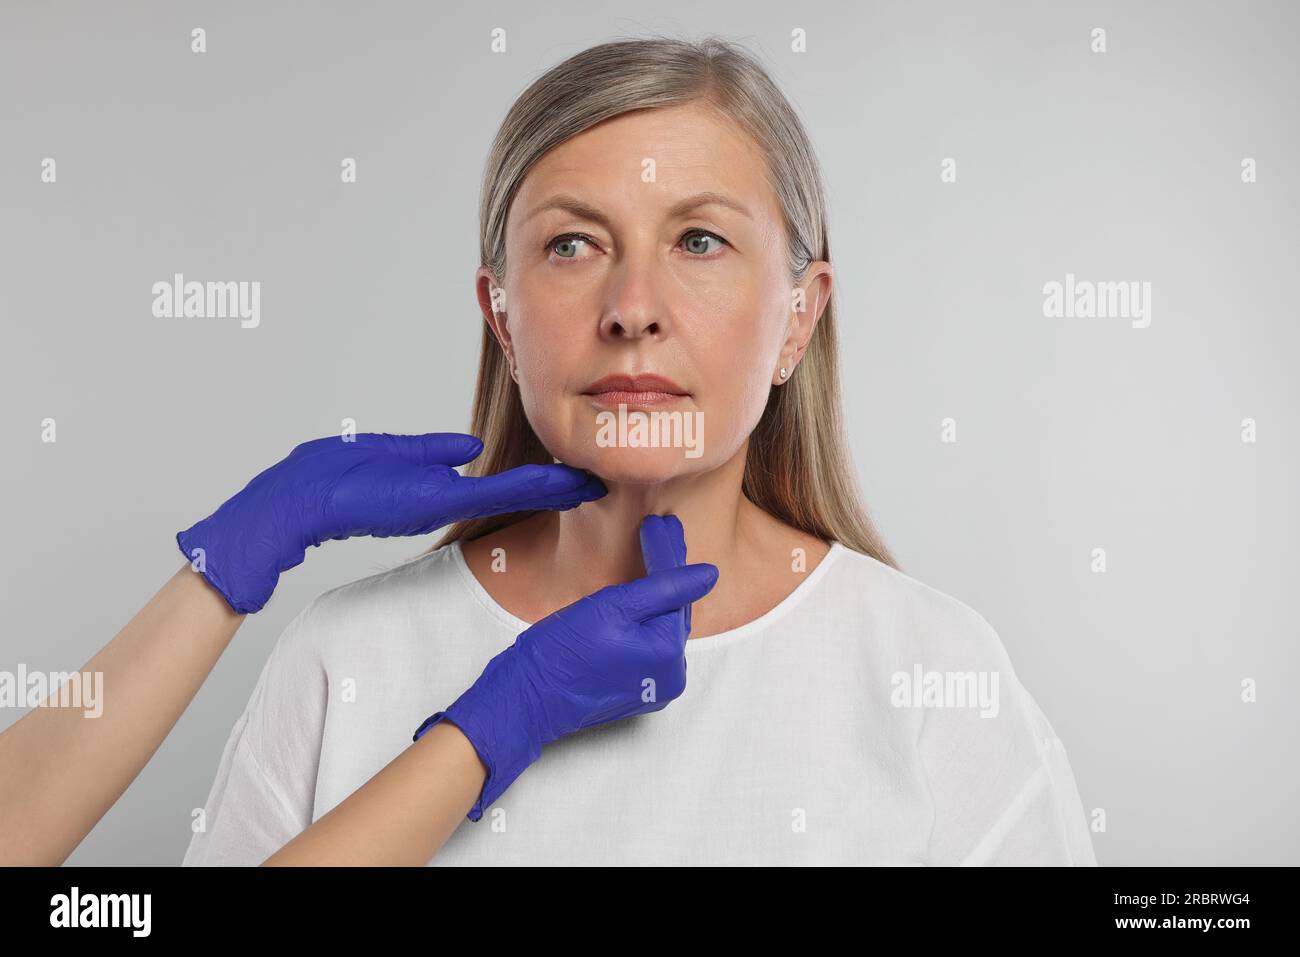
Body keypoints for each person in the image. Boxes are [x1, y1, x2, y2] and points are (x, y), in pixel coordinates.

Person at [182, 36, 1098, 866]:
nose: (632, 307)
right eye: (573, 244)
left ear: (799, 318)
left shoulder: (931, 669)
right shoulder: (344, 658)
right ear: (500, 317)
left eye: (699, 240)